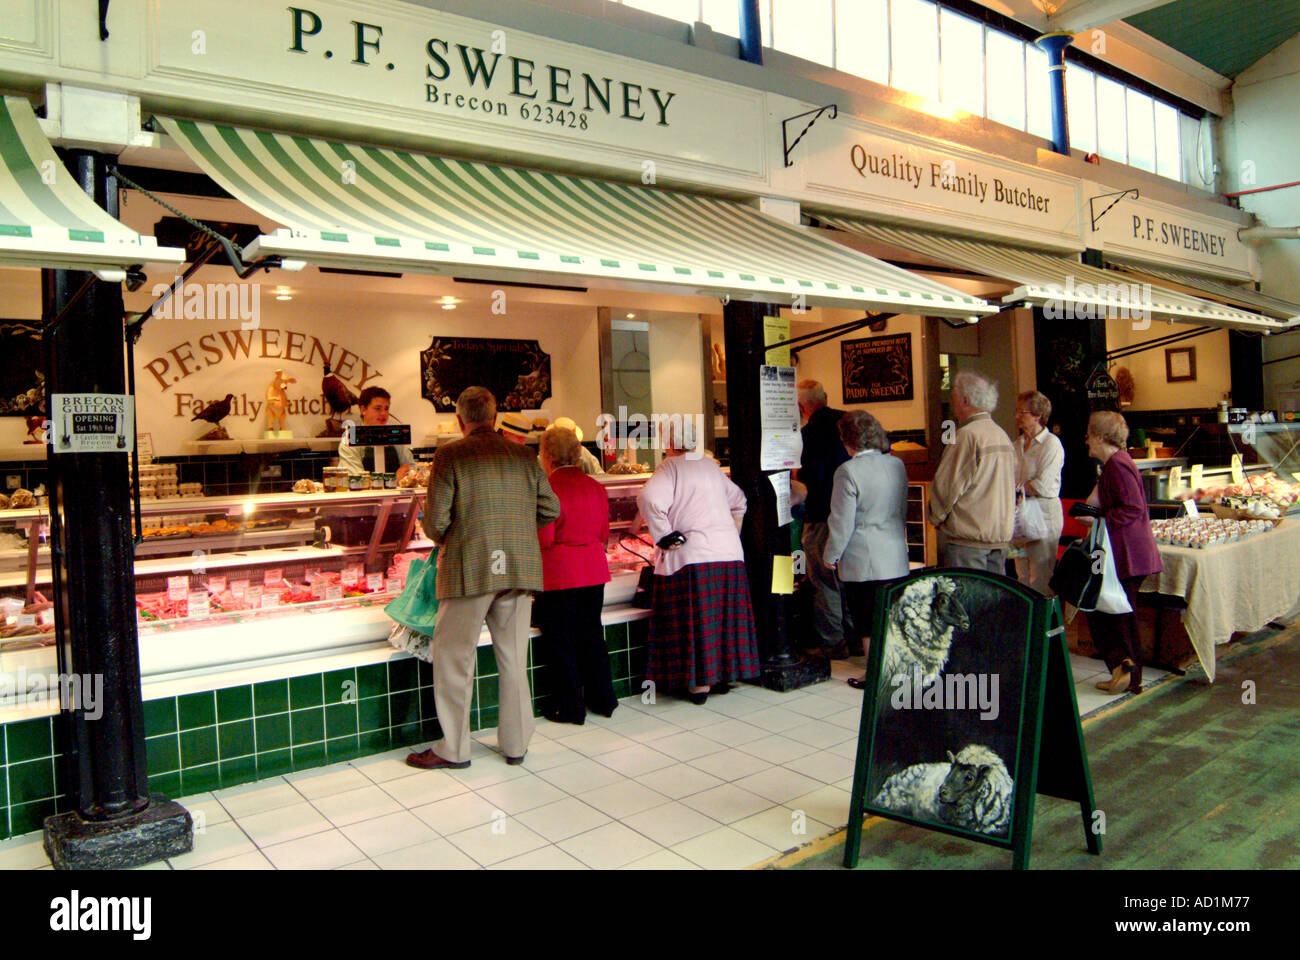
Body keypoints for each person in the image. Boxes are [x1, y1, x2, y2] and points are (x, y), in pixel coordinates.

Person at [406, 387, 561, 770]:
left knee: (454, 659)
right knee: (512, 658)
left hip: (469, 569)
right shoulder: (524, 456)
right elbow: (550, 508)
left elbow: (437, 522)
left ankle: (454, 750)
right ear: (494, 417)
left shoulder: (451, 455)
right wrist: (520, 530)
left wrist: (446, 532)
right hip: (518, 567)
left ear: (461, 421)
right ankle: (515, 744)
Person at [636, 418, 760, 704]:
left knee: (698, 621)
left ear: (668, 443)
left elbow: (649, 498)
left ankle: (698, 686)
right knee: (724, 620)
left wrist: (665, 536)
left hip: (692, 558)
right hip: (728, 555)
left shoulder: (671, 467)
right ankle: (726, 675)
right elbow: (739, 500)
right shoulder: (709, 466)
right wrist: (732, 533)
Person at [822, 411, 911, 691]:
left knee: (867, 618)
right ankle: (895, 668)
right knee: (890, 614)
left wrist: (830, 555)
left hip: (863, 556)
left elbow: (841, 521)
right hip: (895, 551)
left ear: (847, 441)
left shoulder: (848, 471)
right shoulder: (897, 464)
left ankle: (873, 674)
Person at [535, 425, 617, 724]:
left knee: (561, 641)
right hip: (594, 571)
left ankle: (570, 707)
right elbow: (604, 532)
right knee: (592, 635)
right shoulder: (595, 486)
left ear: (546, 456)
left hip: (560, 574)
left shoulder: (548, 489)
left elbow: (544, 538)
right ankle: (604, 700)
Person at [1084, 410, 1162, 695]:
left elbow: (1132, 509)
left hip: (1128, 553)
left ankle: (1129, 675)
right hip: (1127, 552)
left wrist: (1100, 519)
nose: (1087, 440)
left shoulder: (1117, 465)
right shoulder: (1115, 464)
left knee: (1118, 615)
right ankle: (1125, 673)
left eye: (1090, 434)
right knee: (1115, 614)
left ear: (1102, 437)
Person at [928, 370, 1017, 572]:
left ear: (965, 400)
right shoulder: (1001, 434)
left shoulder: (966, 436)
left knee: (966, 601)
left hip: (968, 540)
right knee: (993, 600)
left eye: (954, 398)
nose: (953, 403)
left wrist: (935, 517)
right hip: (999, 538)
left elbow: (947, 487)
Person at [796, 379, 855, 658]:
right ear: (826, 397)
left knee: (825, 580)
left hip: (821, 516)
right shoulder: (849, 424)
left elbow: (804, 483)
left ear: (801, 406)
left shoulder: (806, 436)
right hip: (855, 517)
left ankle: (834, 643)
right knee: (850, 579)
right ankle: (858, 638)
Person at [1013, 390, 1066, 595]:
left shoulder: (1051, 444)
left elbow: (1042, 485)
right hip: (1019, 515)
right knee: (1022, 576)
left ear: (1037, 415)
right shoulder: (1016, 445)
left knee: (1041, 578)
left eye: (1022, 412)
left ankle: (1041, 624)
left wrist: (1016, 487)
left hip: (1044, 514)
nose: (1017, 416)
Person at [337, 386, 414, 482]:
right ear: (363, 409)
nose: (383, 413)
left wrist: (409, 472)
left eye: (386, 409)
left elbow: (411, 469)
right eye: (378, 408)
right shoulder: (351, 438)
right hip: (364, 497)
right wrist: (394, 479)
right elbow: (356, 479)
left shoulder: (395, 436)